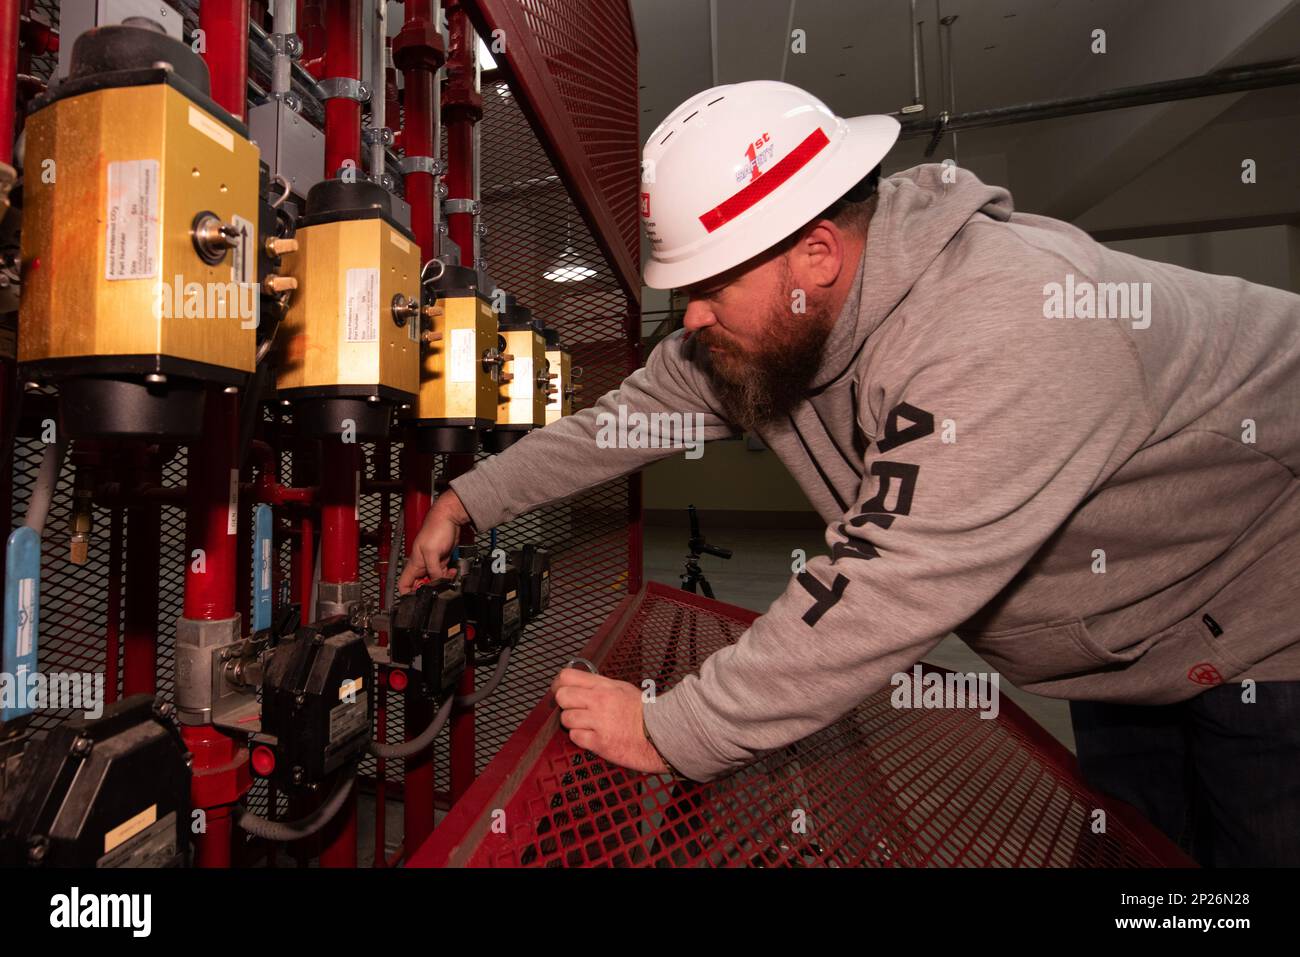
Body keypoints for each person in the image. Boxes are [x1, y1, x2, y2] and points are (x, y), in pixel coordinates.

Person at [399, 80, 1300, 866]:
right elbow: (620, 423)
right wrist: (468, 501)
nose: (693, 318)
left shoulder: (1010, 325)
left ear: (817, 254)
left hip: (1269, 625)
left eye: (711, 287)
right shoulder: (763, 328)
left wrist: (671, 728)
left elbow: (878, 584)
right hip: (1122, 652)